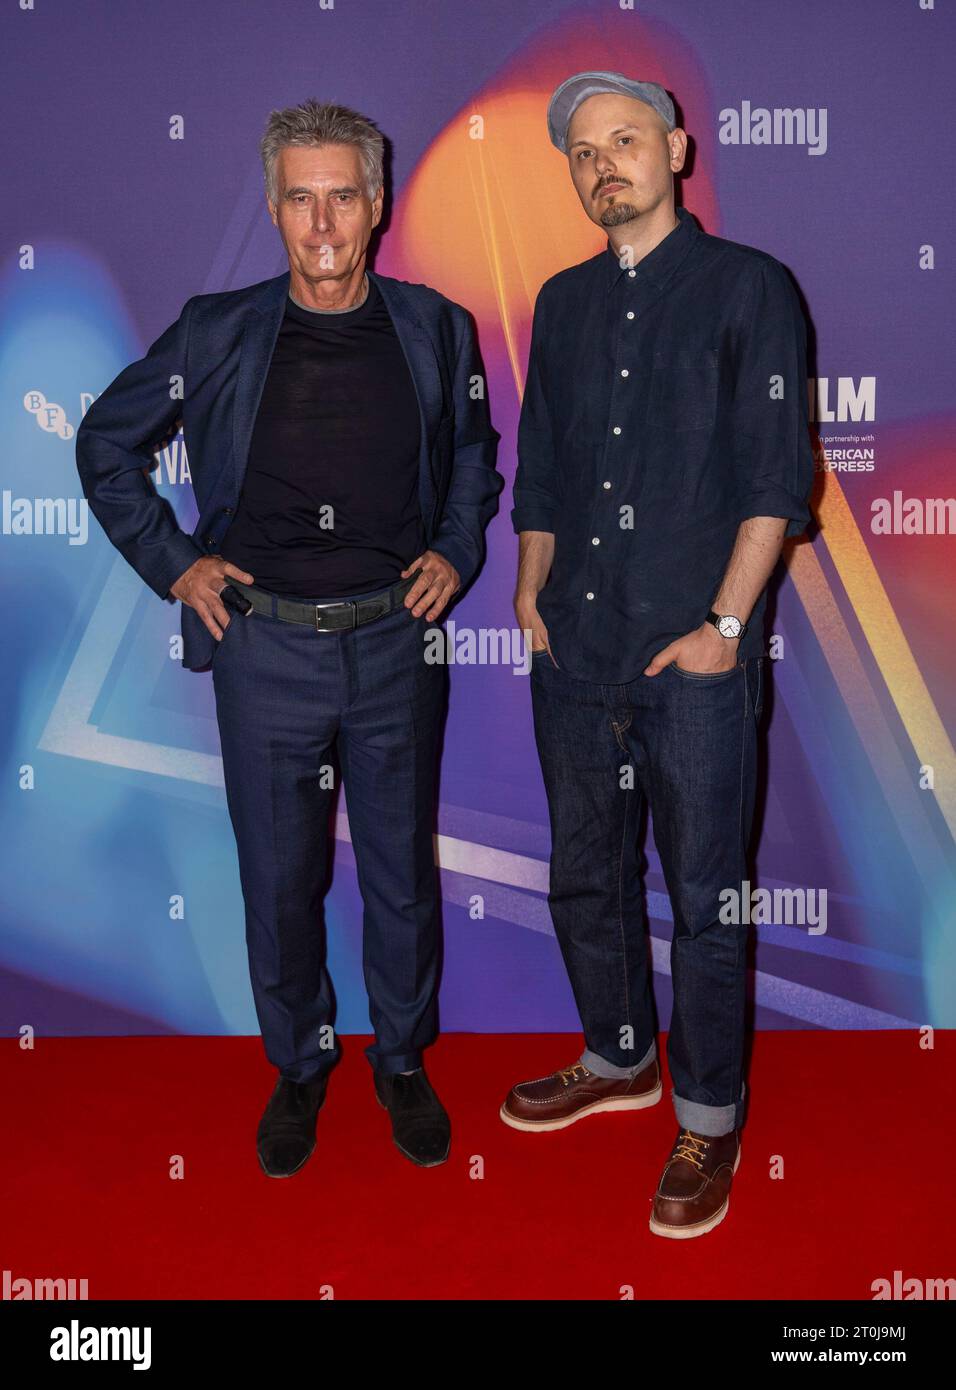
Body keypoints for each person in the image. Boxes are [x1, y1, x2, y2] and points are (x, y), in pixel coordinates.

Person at [76, 99, 502, 1179]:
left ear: (377, 207)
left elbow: (471, 450)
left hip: (393, 645)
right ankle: (300, 1066)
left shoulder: (434, 327)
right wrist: (176, 564)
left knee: (401, 875)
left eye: (342, 196)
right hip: (262, 649)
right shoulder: (215, 332)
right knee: (279, 877)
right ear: (273, 210)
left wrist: (456, 546)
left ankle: (400, 1062)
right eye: (300, 199)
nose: (322, 222)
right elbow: (105, 444)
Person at [501, 73, 814, 1238]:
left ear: (676, 150)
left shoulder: (747, 289)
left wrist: (723, 633)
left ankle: (709, 1114)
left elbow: (775, 481)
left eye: (624, 140)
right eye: (582, 151)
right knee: (584, 875)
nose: (603, 165)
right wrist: (528, 587)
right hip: (574, 649)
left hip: (693, 664)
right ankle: (618, 1054)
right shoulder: (562, 301)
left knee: (703, 896)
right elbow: (540, 464)